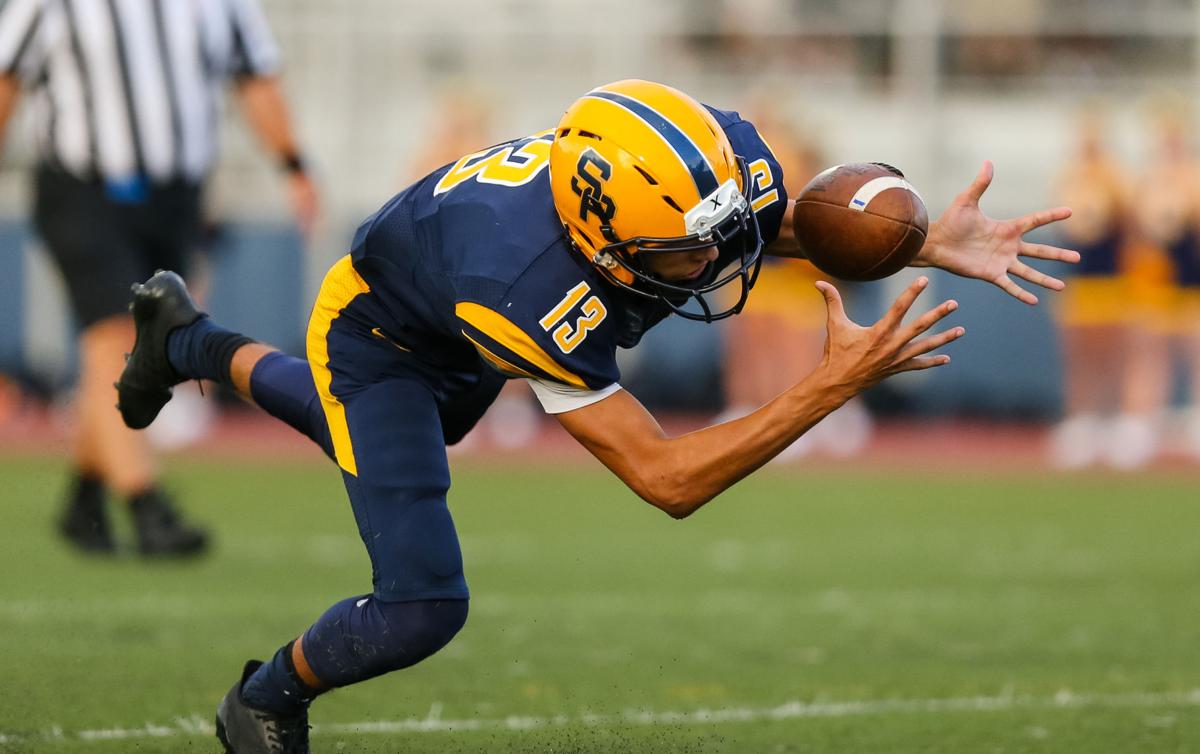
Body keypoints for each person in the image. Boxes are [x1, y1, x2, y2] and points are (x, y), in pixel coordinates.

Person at [115, 80, 1075, 752]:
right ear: (595, 234)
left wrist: (916, 243)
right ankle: (265, 698)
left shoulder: (697, 167)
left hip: (446, 297)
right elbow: (667, 478)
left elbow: (741, 223)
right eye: (678, 255)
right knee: (421, 602)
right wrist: (831, 383)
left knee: (385, 436)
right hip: (383, 338)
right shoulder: (523, 287)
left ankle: (186, 339)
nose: (708, 268)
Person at [0, 0, 318, 555]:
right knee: (119, 333)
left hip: (176, 196)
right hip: (83, 187)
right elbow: (7, 79)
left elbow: (255, 76)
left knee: (154, 340)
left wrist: (292, 163)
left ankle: (86, 495)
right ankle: (145, 505)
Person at [1048, 106, 1132, 468]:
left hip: (1111, 281)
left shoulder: (1116, 178)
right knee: (1078, 355)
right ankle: (1081, 421)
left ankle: (1112, 423)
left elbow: (1128, 222)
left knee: (1111, 356)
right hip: (1079, 281)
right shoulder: (1071, 177)